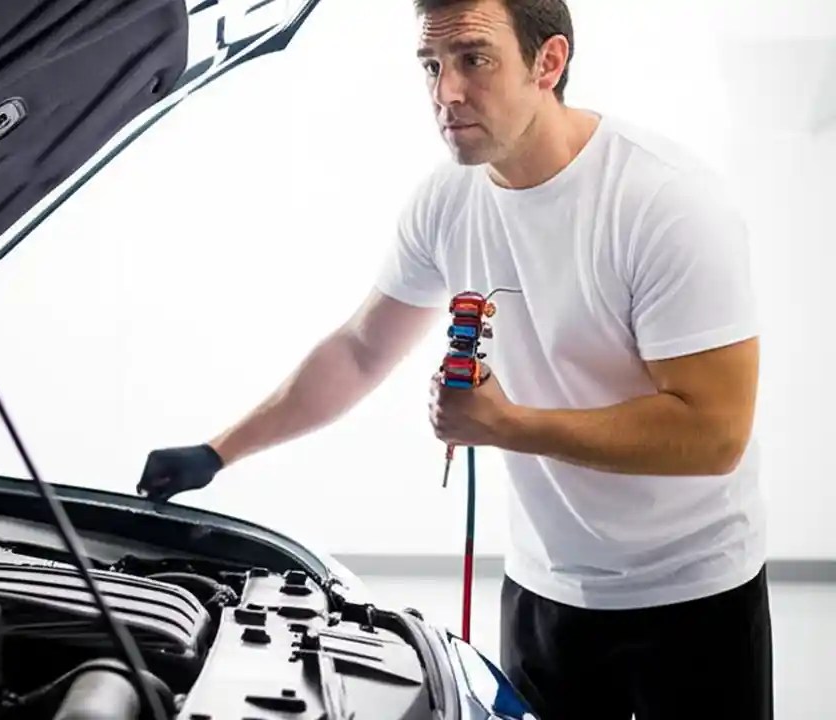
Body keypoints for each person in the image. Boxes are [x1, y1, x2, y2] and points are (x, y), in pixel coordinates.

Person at [135, 0, 772, 717]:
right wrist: (219, 452)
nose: (446, 93)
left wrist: (505, 424)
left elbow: (712, 434)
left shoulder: (665, 203)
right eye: (432, 66)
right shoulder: (448, 200)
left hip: (690, 595)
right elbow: (361, 348)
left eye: (474, 59)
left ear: (548, 63)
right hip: (545, 588)